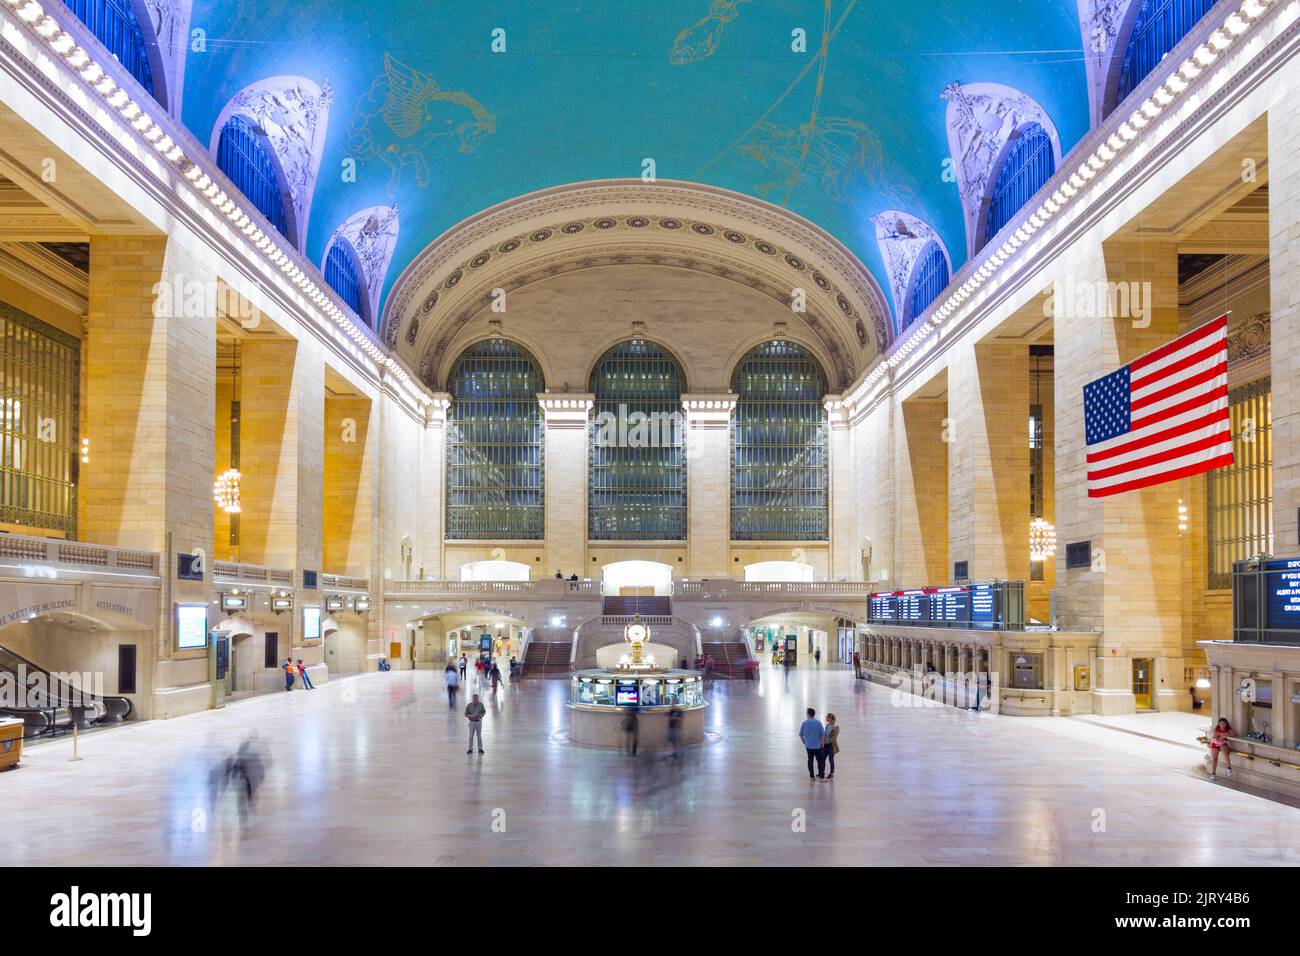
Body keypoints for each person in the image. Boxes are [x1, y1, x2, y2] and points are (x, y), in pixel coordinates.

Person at [799, 708, 826, 779]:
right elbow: (823, 735)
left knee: (810, 760)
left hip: (808, 746)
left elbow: (800, 735)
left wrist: (804, 742)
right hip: (818, 746)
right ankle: (821, 774)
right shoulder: (818, 722)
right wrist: (823, 743)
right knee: (820, 761)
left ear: (808, 714)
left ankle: (811, 774)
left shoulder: (804, 723)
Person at [822, 713, 840, 779]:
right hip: (825, 745)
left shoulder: (835, 727)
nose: (826, 718)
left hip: (831, 746)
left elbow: (834, 738)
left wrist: (826, 741)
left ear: (830, 718)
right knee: (822, 759)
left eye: (827, 717)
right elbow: (825, 734)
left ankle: (831, 773)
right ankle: (822, 772)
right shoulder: (827, 725)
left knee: (831, 760)